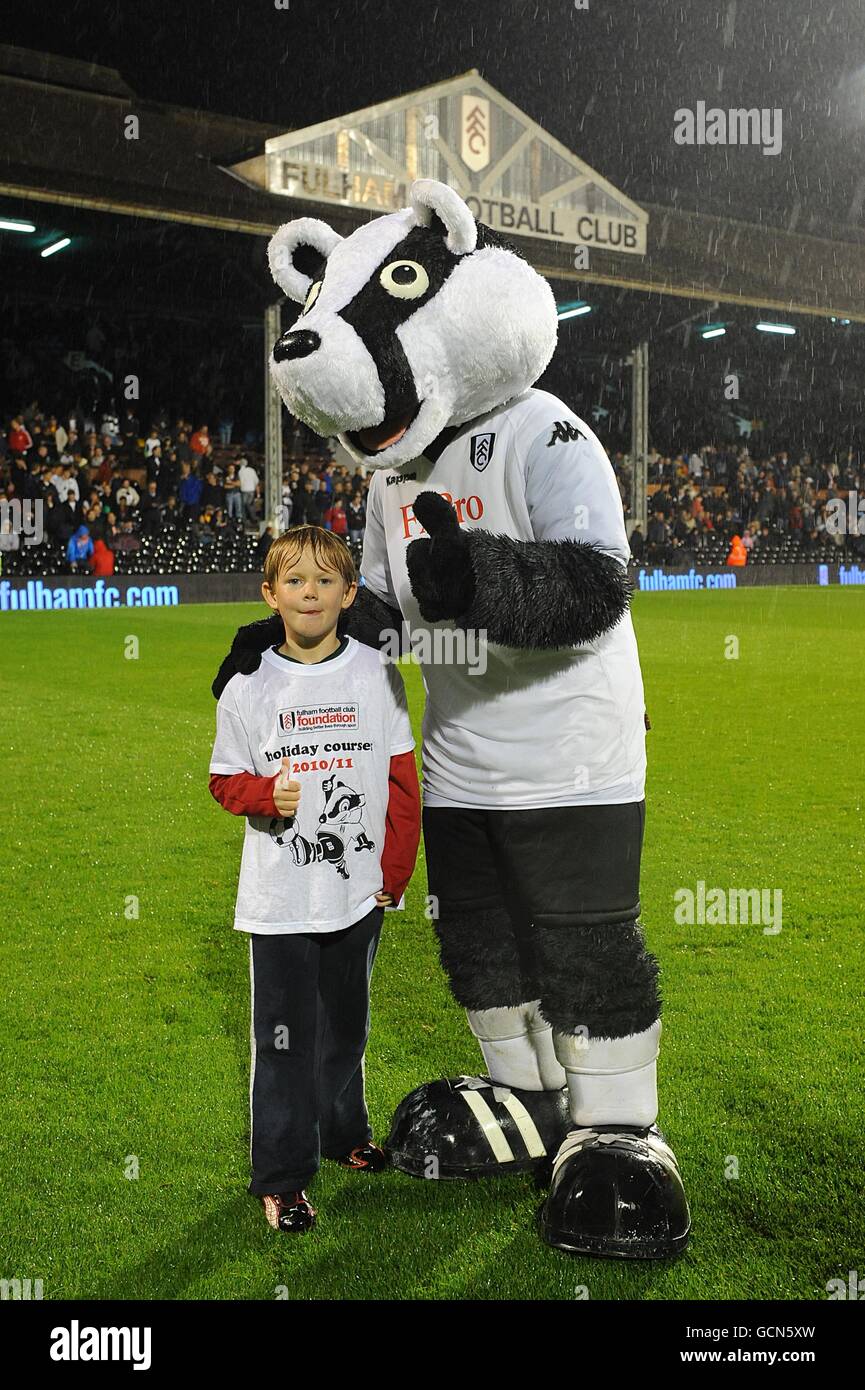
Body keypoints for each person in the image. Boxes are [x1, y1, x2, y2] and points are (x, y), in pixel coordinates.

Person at [209, 525, 420, 1234]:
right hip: (280, 900)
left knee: (346, 1031)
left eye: (325, 580)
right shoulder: (245, 682)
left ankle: (341, 1133)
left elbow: (400, 778)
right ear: (270, 594)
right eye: (294, 580)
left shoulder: (375, 672)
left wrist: (394, 869)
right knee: (284, 1043)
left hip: (357, 891)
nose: (309, 592)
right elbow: (223, 779)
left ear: (348, 593)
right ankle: (283, 1178)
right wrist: (265, 795)